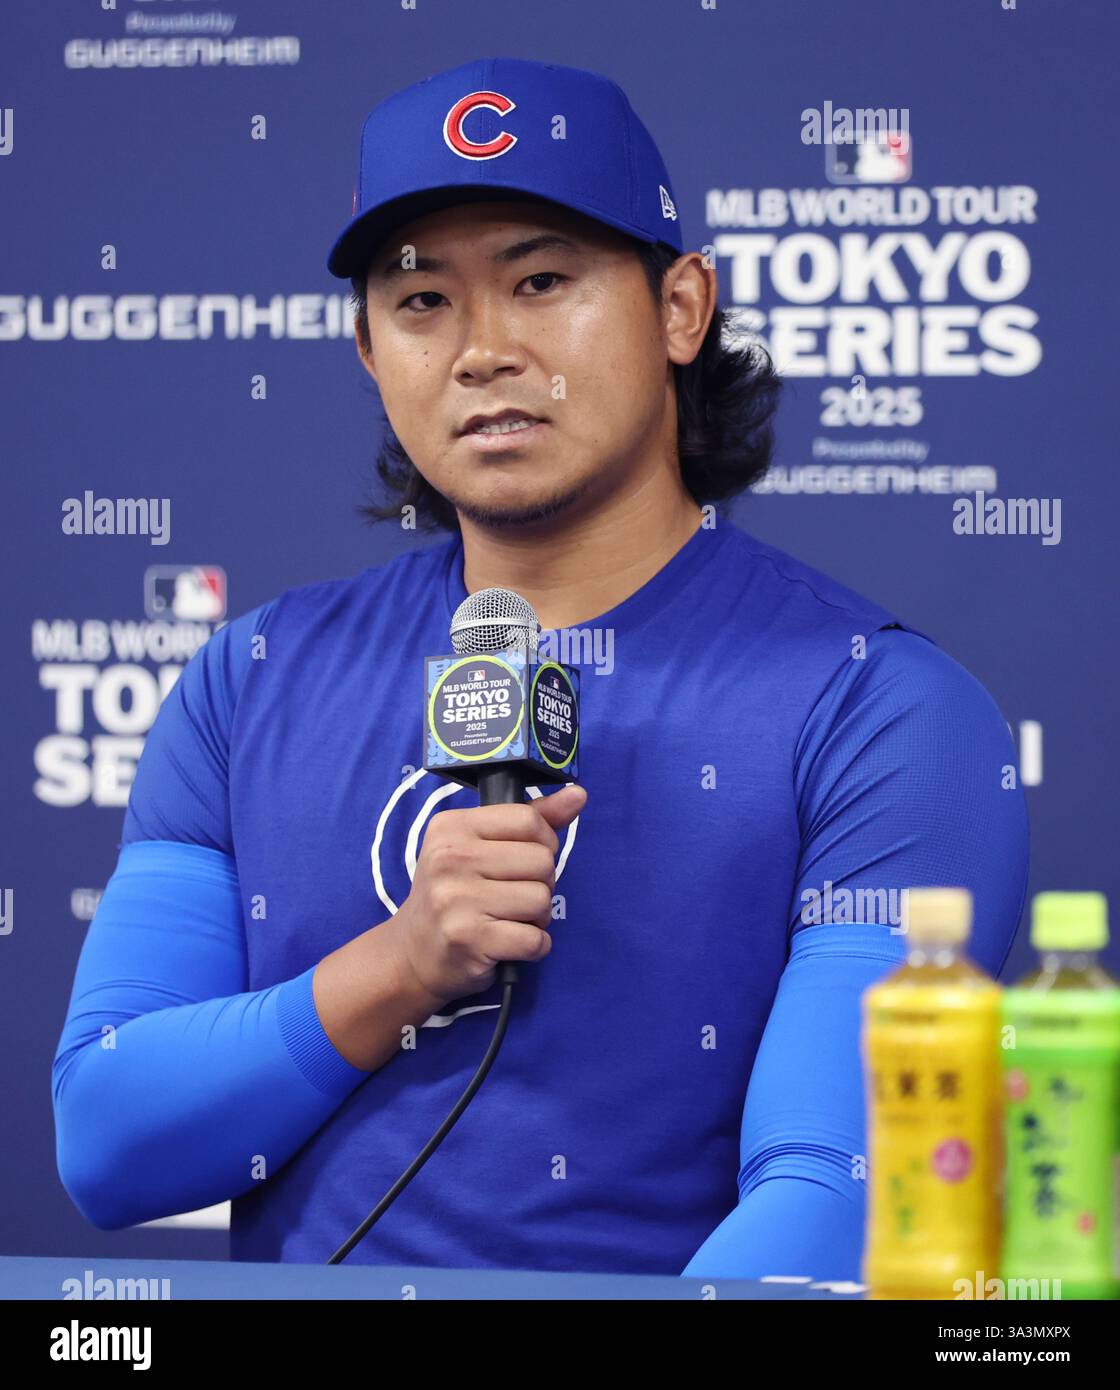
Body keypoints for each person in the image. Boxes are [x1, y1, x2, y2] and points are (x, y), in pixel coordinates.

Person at [51, 57, 1028, 1279]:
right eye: (421, 304)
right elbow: (110, 1144)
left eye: (542, 280)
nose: (483, 350)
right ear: (367, 350)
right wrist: (402, 964)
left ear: (681, 308)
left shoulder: (884, 713)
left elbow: (826, 1198)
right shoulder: (248, 678)